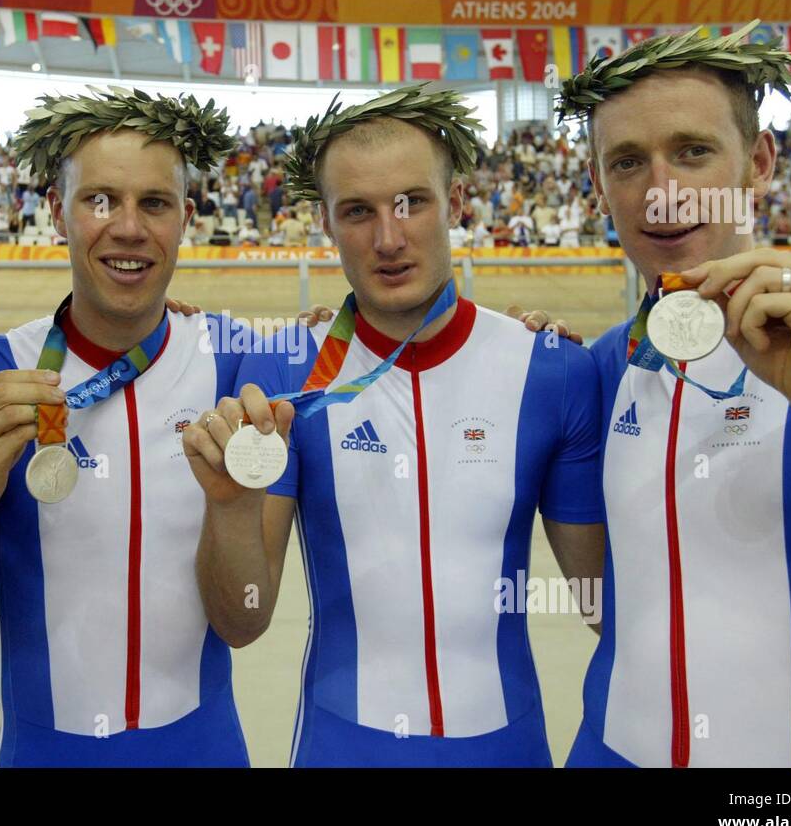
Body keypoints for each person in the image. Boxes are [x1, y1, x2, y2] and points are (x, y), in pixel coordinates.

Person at [182, 86, 606, 766]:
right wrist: (228, 509)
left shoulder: (554, 372)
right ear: (324, 221)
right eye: (358, 212)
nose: (388, 237)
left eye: (412, 202)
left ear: (459, 203)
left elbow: (606, 607)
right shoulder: (285, 372)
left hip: (508, 746)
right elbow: (241, 621)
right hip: (342, 746)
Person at [540, 22, 791, 767]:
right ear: (600, 187)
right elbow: (611, 608)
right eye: (628, 161)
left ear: (759, 162)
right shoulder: (602, 366)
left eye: (693, 152)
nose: (662, 190)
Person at [0, 88, 254, 766]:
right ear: (56, 214)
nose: (128, 228)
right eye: (99, 200)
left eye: (154, 203)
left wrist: (526, 332)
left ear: (186, 217)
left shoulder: (237, 359)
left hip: (206, 748)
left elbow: (372, 346)